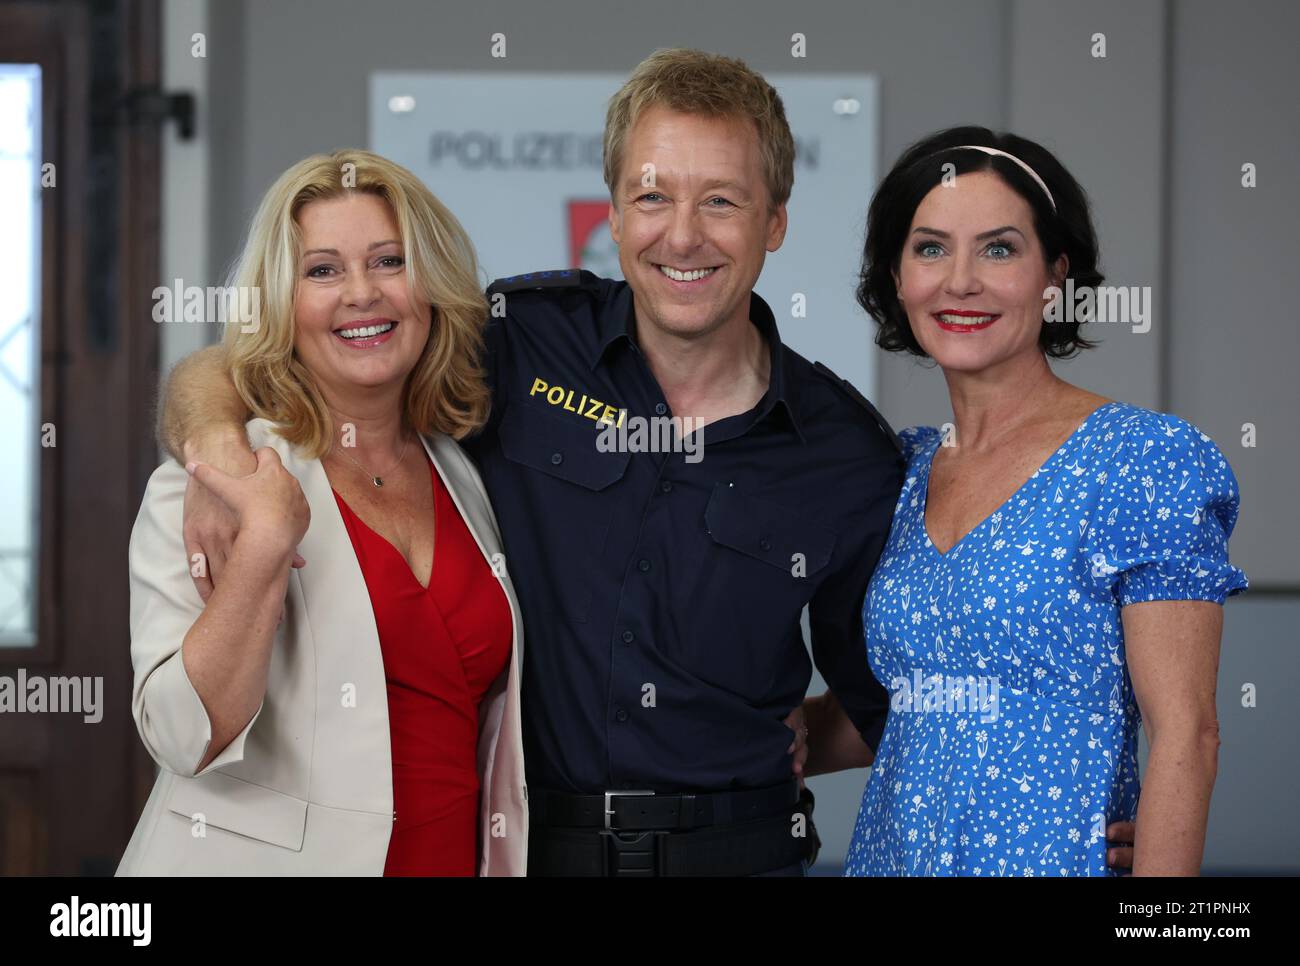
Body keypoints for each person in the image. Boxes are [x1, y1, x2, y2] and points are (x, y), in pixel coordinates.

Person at [155, 49, 892, 877]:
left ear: (776, 221)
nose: (682, 235)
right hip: (535, 848)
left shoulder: (844, 449)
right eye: (652, 197)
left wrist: (787, 737)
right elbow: (289, 352)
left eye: (721, 201)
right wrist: (218, 452)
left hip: (742, 853)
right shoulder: (523, 342)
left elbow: (889, 702)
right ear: (613, 214)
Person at [804, 127, 1247, 876]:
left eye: (1000, 248)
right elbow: (903, 709)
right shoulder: (898, 469)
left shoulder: (1140, 459)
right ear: (896, 274)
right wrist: (735, 734)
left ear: (1055, 275)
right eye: (931, 247)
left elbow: (1188, 734)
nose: (961, 281)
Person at [118, 150, 527, 875]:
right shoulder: (216, 485)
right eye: (323, 271)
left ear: (430, 286)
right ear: (281, 301)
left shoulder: (468, 469)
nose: (362, 293)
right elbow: (183, 736)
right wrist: (266, 543)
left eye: (390, 262)